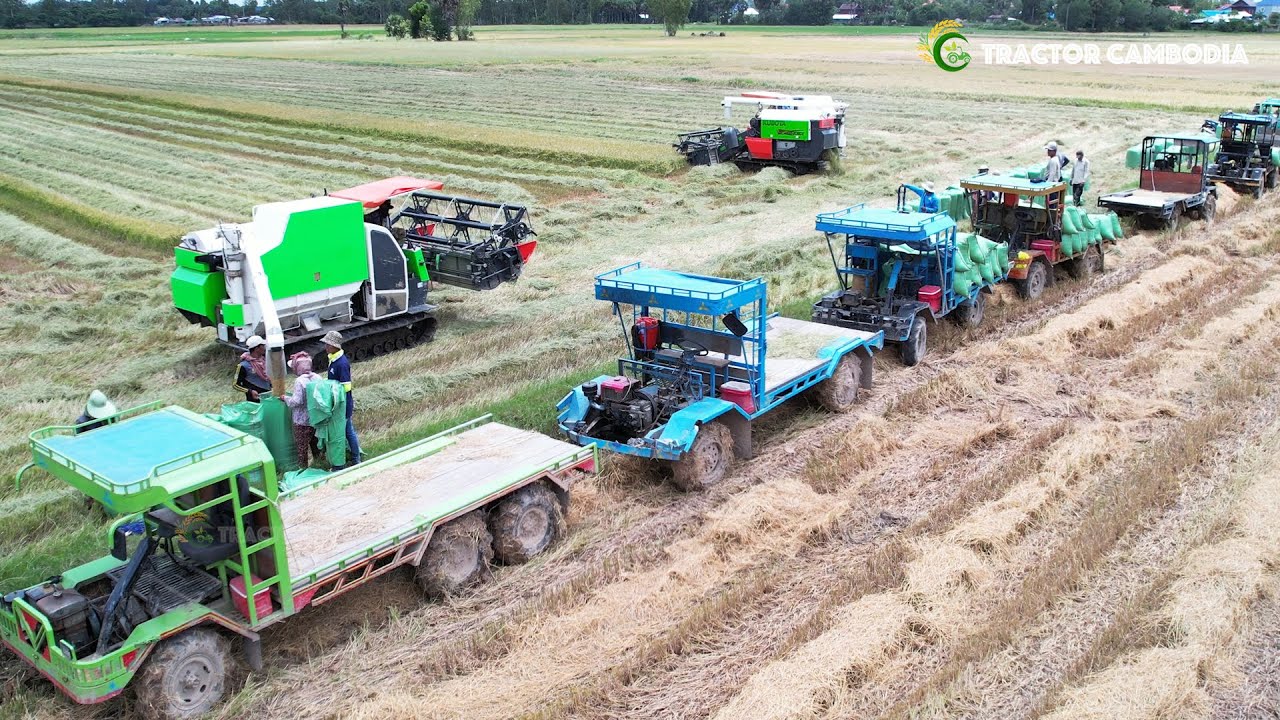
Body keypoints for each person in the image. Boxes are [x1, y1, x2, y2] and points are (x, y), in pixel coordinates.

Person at [323, 331, 361, 466]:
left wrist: (335, 397)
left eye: (328, 344)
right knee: (346, 430)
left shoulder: (341, 363)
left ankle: (356, 458)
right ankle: (353, 456)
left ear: (335, 346)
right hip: (338, 403)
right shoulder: (333, 359)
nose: (326, 347)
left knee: (348, 431)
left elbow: (346, 387)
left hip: (343, 404)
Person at [281, 352, 321, 468]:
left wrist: (285, 398)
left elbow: (297, 401)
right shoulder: (317, 377)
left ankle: (303, 469)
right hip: (316, 417)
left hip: (302, 421)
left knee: (302, 447)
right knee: (316, 444)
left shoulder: (300, 381)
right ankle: (320, 463)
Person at [233, 335, 271, 402]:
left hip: (268, 398)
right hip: (254, 401)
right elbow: (235, 385)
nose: (265, 348)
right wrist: (250, 391)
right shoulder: (243, 365)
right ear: (257, 349)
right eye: (263, 346)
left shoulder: (264, 361)